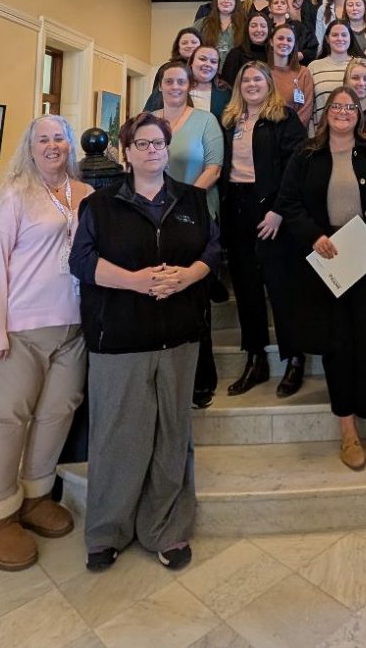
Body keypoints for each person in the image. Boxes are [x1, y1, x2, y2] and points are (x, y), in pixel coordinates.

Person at [70, 112, 220, 574]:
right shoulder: (100, 205)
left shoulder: (193, 199)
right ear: (127, 152)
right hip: (120, 337)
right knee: (117, 435)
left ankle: (165, 528)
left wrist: (188, 276)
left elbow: (213, 250)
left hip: (179, 336)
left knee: (172, 435)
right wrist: (135, 281)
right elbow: (82, 261)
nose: (151, 151)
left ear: (167, 149)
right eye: (142, 144)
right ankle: (107, 531)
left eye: (158, 143)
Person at [0, 114, 90, 571]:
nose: (53, 145)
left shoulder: (85, 194)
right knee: (7, 421)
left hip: (72, 327)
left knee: (56, 414)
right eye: (43, 139)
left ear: (71, 145)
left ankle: (36, 496)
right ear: (31, 147)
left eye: (60, 137)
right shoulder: (14, 195)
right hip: (18, 327)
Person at [278, 87, 366, 471]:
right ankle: (348, 432)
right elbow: (289, 202)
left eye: (349, 107)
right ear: (326, 113)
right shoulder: (306, 154)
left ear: (359, 112)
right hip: (330, 263)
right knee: (338, 348)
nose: (342, 112)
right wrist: (313, 236)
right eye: (336, 106)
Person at [220, 61, 309, 398]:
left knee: (282, 287)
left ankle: (294, 358)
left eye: (258, 79)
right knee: (246, 289)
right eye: (246, 79)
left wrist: (278, 212)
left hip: (272, 210)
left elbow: (295, 169)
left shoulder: (284, 119)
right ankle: (256, 359)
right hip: (237, 208)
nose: (252, 84)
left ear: (269, 84)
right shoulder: (229, 121)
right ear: (239, 86)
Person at [150, 60, 224, 409]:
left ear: (190, 85)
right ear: (160, 86)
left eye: (182, 81)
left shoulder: (205, 121)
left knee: (195, 300)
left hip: (194, 215)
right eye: (170, 81)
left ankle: (202, 379)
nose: (176, 87)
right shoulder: (148, 120)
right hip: (154, 219)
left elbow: (214, 167)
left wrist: (181, 198)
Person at [309, 20, 366, 131]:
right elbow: (310, 107)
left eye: (344, 35)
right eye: (335, 35)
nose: (340, 38)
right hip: (322, 133)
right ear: (327, 39)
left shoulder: (361, 65)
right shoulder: (314, 67)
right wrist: (312, 136)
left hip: (355, 133)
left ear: (350, 38)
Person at [267, 23, 315, 128]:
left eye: (289, 40)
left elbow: (306, 109)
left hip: (295, 133)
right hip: (266, 131)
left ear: (294, 45)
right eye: (280, 38)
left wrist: (290, 131)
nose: (285, 42)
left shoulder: (304, 73)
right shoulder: (263, 72)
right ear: (271, 42)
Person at [194, 0, 245, 66]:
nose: (226, 1)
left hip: (235, 70)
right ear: (216, 1)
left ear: (236, 2)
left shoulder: (245, 25)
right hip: (208, 70)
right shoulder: (201, 24)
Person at [221, 14, 270, 87]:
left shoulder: (274, 54)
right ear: (247, 29)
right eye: (253, 26)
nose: (259, 30)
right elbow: (227, 85)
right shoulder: (235, 54)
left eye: (263, 26)